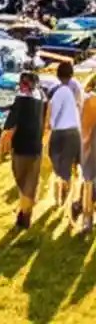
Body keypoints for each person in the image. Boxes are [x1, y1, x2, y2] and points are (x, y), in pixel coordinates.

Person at [0, 71, 47, 228]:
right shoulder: (42, 98)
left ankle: (24, 215)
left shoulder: (20, 100)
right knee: (31, 183)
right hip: (36, 147)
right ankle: (25, 213)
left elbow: (8, 128)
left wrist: (0, 153)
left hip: (21, 148)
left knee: (22, 182)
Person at [49, 62, 84, 208]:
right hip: (73, 130)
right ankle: (67, 187)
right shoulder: (76, 87)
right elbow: (80, 107)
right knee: (71, 163)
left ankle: (64, 189)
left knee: (59, 161)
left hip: (60, 131)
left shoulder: (56, 89)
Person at [77, 77, 96, 234]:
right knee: (89, 181)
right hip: (93, 149)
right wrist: (85, 149)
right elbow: (86, 130)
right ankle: (87, 216)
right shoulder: (92, 99)